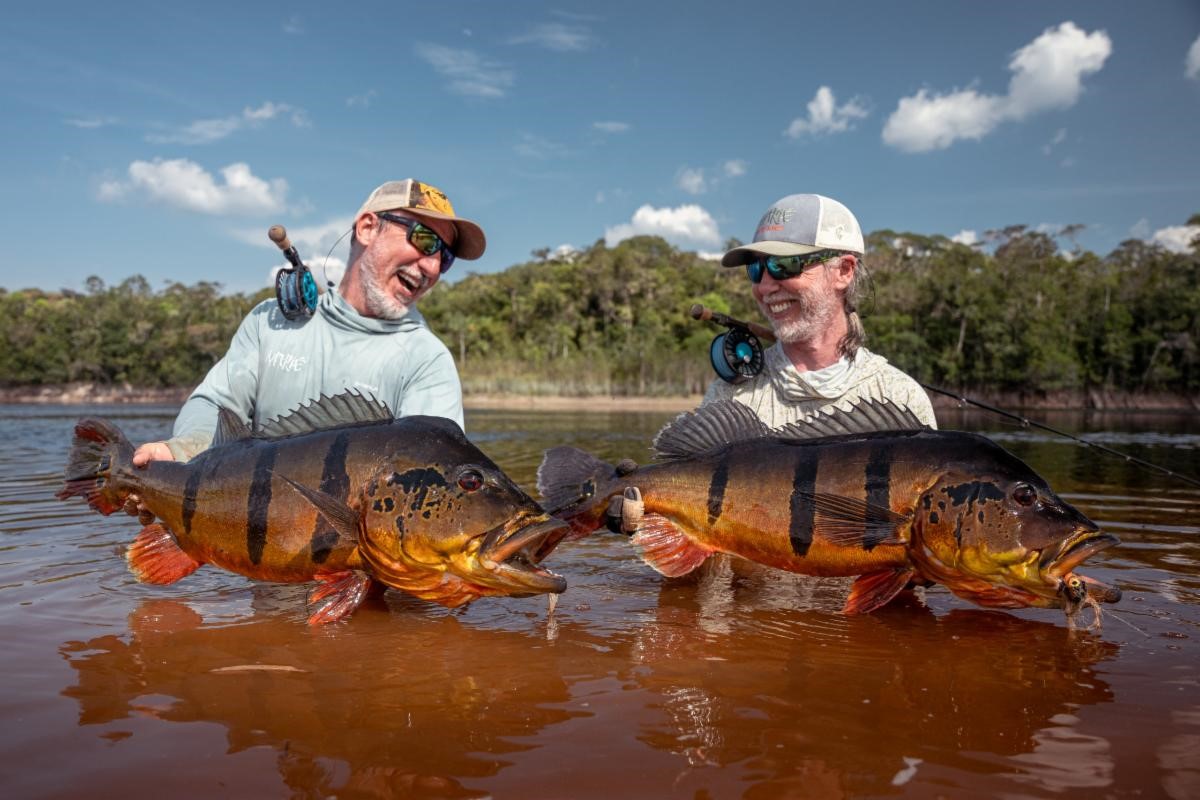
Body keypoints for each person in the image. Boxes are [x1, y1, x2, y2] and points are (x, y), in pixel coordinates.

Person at [132, 178, 485, 470]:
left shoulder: (427, 360)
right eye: (425, 240)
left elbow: (430, 472)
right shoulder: (268, 322)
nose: (433, 267)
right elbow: (215, 403)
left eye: (446, 257)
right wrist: (179, 452)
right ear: (367, 227)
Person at [708, 192, 936, 428]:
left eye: (784, 264)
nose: (764, 286)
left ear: (844, 270)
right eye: (755, 268)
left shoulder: (901, 398)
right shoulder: (729, 398)